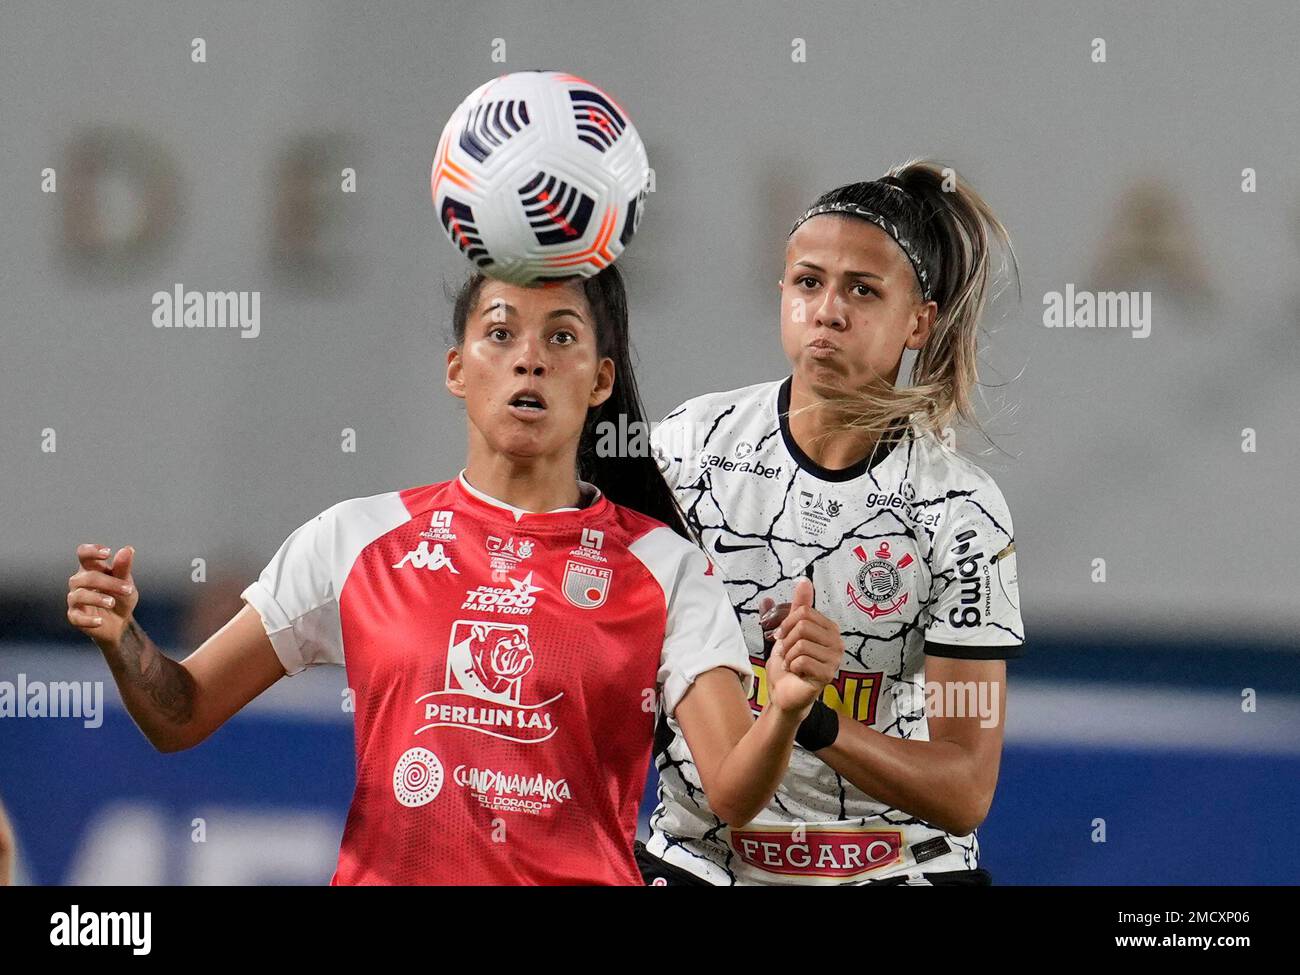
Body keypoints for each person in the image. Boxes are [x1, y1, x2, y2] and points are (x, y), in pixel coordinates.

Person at [66, 264, 844, 885]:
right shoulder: (357, 539)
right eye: (499, 334)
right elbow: (181, 713)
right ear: (455, 369)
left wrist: (784, 707)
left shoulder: (663, 568)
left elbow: (733, 793)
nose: (528, 357)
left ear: (601, 380)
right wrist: (122, 637)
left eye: (561, 337)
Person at [640, 160, 1025, 886]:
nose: (829, 310)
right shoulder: (688, 451)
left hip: (893, 868)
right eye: (808, 282)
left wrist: (810, 717)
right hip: (706, 860)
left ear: (919, 322)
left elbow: (966, 788)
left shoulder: (961, 512)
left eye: (863, 289)